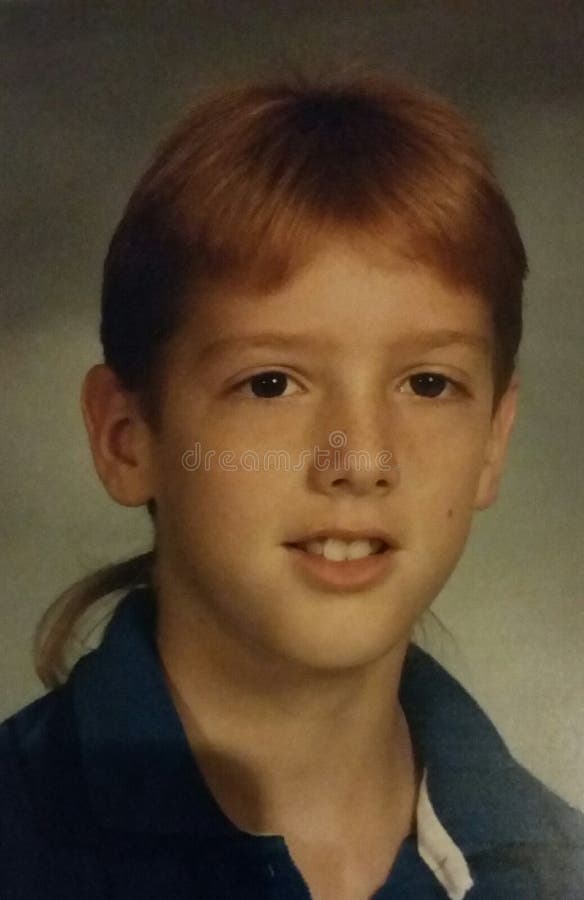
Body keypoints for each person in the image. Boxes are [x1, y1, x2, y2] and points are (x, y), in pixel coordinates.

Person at [1, 67, 583, 900]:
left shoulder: (558, 867)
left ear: (493, 441)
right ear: (126, 439)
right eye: (271, 384)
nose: (360, 459)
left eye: (427, 384)